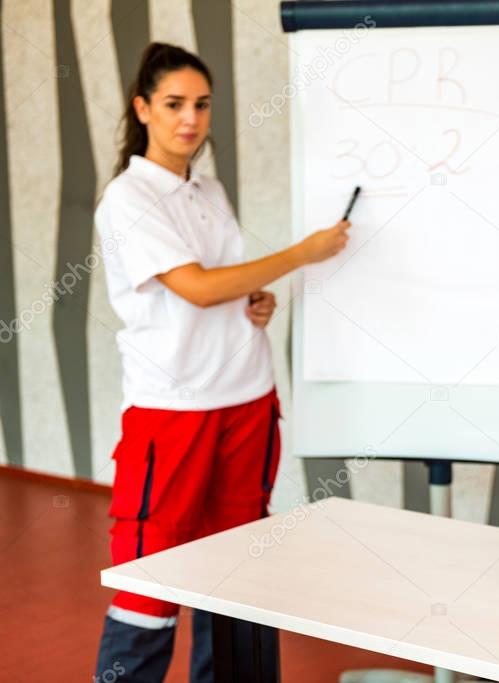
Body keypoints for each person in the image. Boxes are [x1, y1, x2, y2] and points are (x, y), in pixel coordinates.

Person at [93, 42, 348, 682]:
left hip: (247, 398)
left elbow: (222, 285)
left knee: (234, 570)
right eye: (175, 104)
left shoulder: (208, 188)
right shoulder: (128, 197)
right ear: (142, 107)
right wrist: (303, 254)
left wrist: (256, 300)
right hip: (172, 410)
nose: (191, 119)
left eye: (202, 105)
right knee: (150, 581)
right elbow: (199, 287)